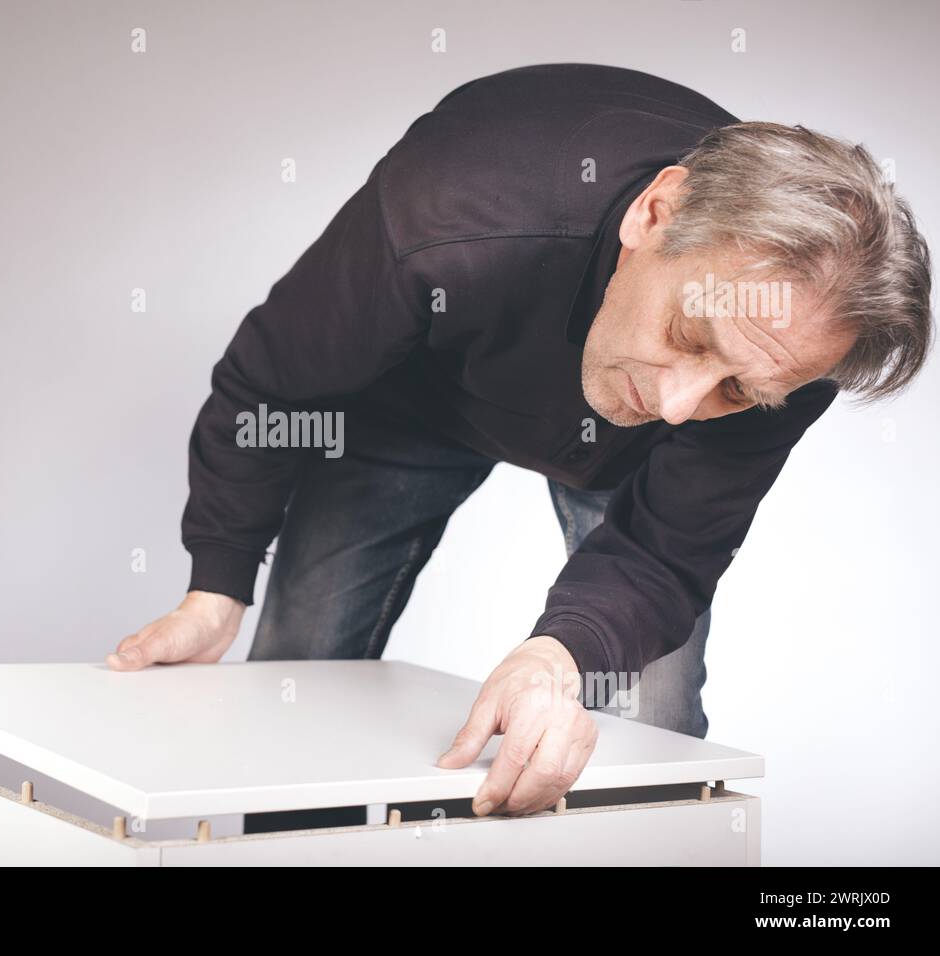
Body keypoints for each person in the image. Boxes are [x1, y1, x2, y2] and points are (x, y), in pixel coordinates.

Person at [105, 63, 932, 831]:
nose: (680, 408)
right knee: (297, 669)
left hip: (623, 470)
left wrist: (559, 657)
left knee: (654, 732)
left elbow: (667, 551)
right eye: (689, 333)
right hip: (417, 401)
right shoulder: (447, 211)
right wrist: (218, 577)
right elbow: (271, 382)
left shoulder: (801, 342)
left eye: (736, 391)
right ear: (657, 213)